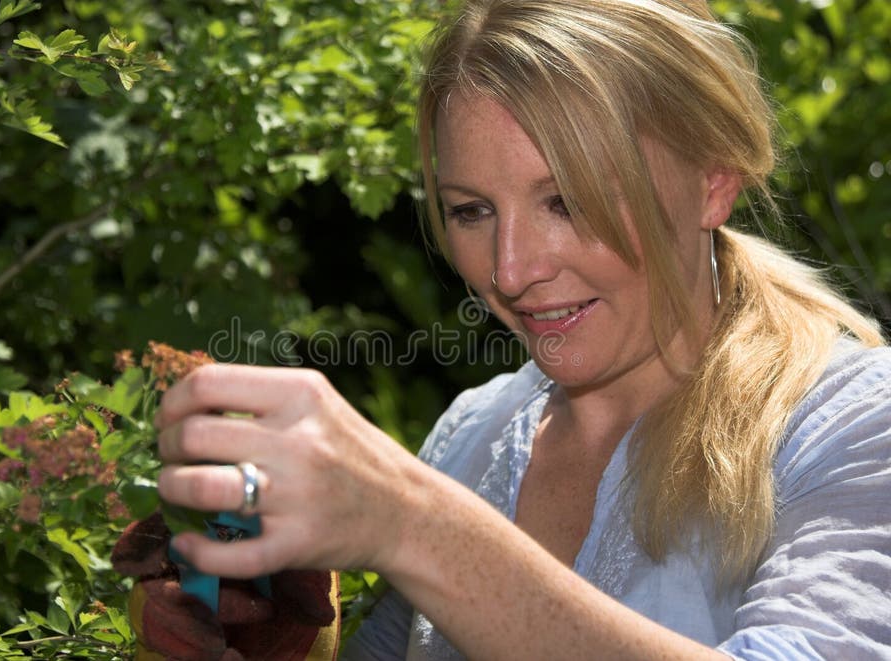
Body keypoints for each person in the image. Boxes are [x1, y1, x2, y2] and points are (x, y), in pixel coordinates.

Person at [153, 0, 891, 658]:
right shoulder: (471, 433)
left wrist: (414, 525)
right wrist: (267, 632)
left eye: (566, 200)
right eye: (471, 211)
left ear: (714, 181)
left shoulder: (852, 422)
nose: (509, 271)